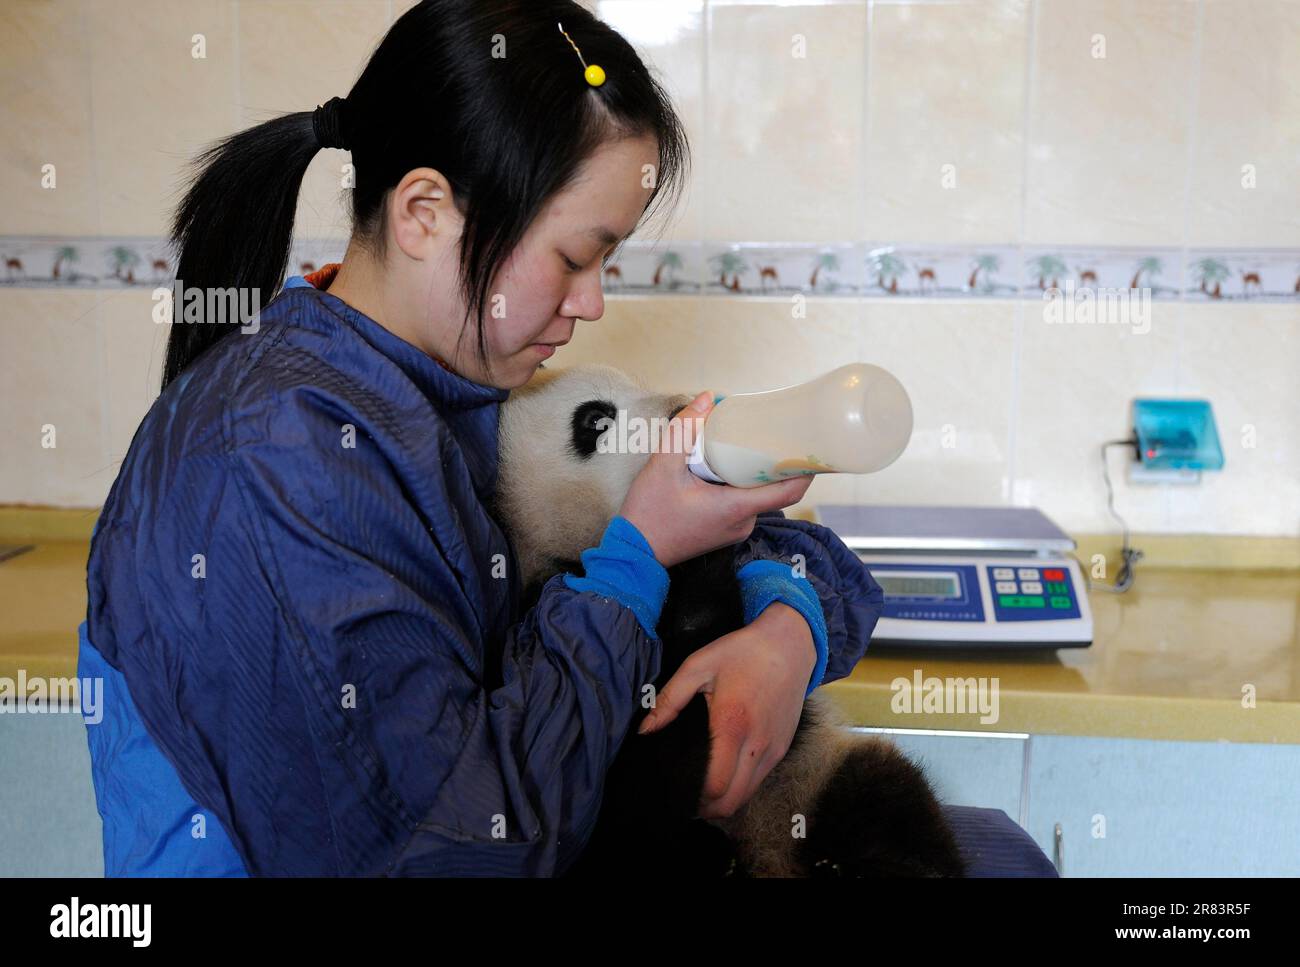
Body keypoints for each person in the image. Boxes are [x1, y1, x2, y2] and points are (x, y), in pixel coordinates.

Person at [79, 0, 887, 876]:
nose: (593, 303)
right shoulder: (276, 458)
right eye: (575, 258)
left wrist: (784, 625)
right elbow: (460, 846)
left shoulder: (462, 391)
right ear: (424, 212)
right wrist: (634, 563)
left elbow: (742, 536)